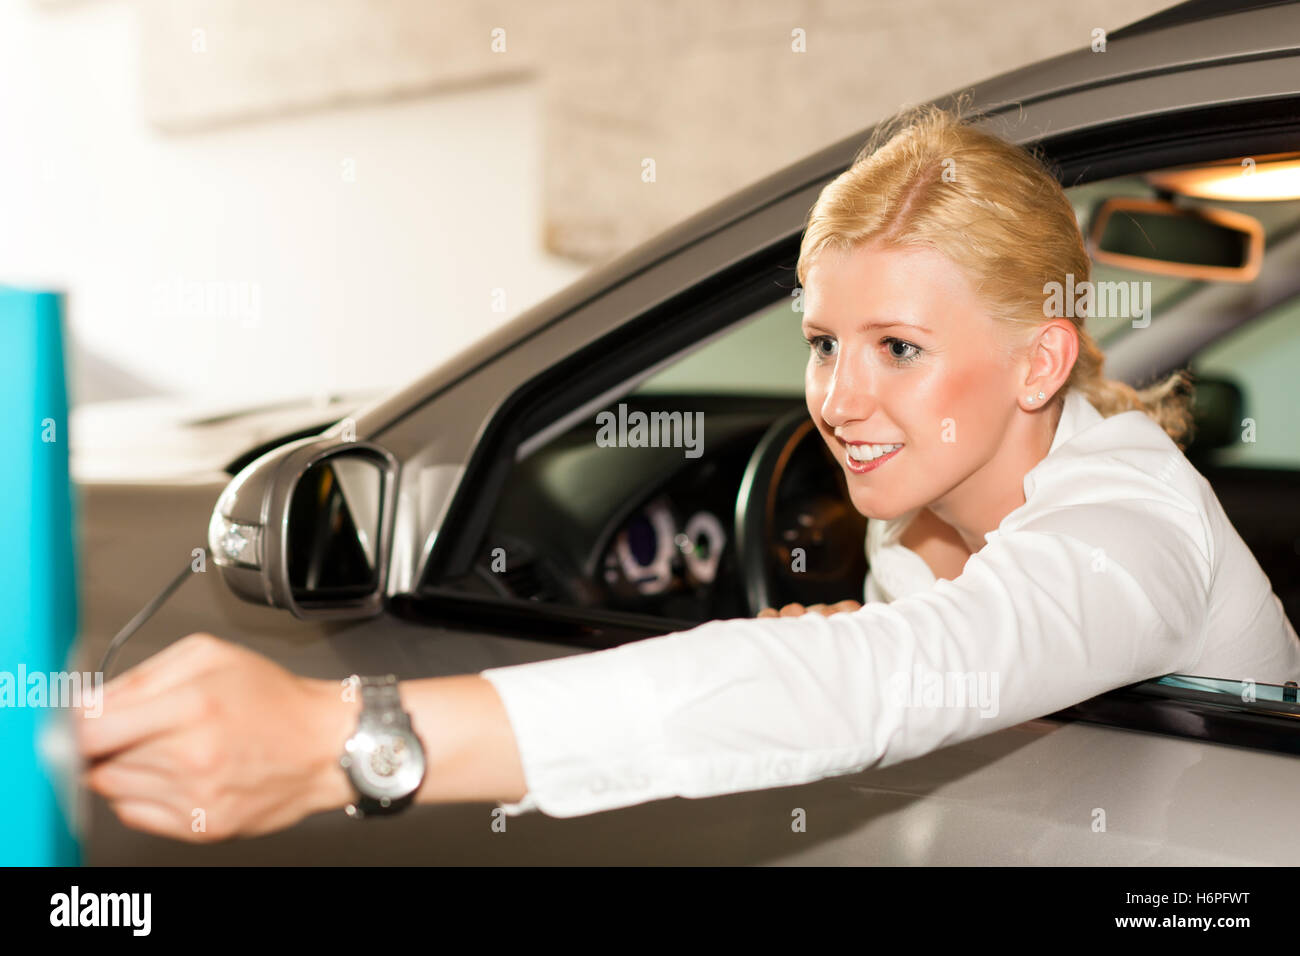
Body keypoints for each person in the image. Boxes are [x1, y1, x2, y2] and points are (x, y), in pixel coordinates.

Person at [77, 103, 1300, 841]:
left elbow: (883, 681)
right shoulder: (929, 495)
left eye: (898, 350)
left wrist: (346, 733)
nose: (837, 400)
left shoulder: (1128, 528)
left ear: (1039, 360)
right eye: (823, 341)